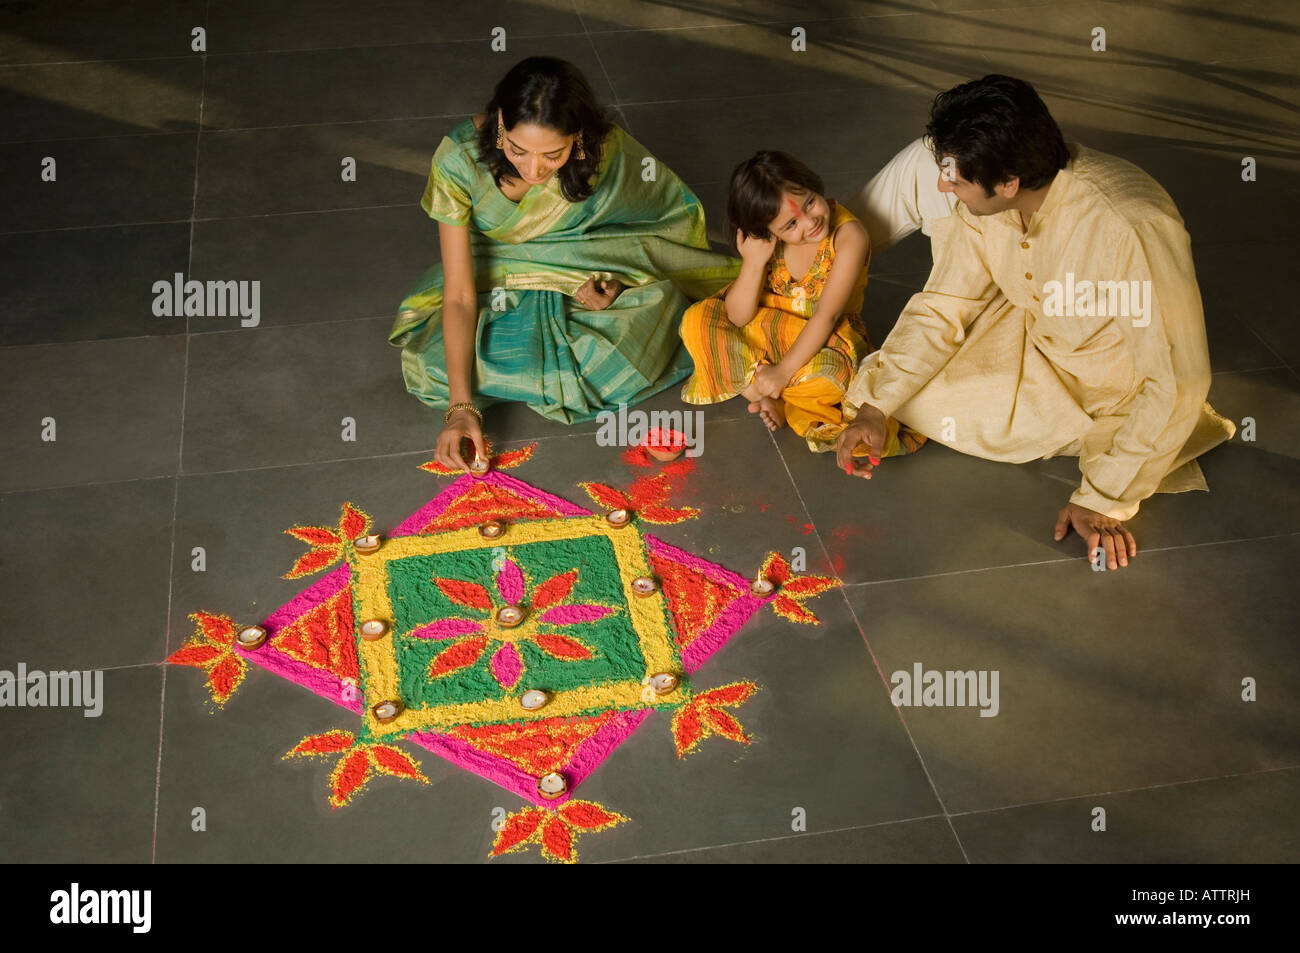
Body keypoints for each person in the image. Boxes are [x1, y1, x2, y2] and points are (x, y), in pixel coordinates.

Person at [839, 74, 1235, 569]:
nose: (941, 186)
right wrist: (878, 406)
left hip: (1113, 387)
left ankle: (1119, 451)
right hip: (1029, 334)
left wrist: (1101, 498)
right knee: (889, 392)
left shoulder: (1130, 226)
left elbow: (1178, 379)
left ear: (1008, 183)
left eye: (955, 179)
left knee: (1153, 417)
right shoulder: (993, 196)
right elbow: (947, 301)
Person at [391, 56, 739, 470]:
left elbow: (656, 227)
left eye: (553, 156)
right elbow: (461, 296)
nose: (534, 169)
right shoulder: (458, 161)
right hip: (498, 280)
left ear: (577, 138)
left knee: (629, 342)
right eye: (518, 149)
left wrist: (617, 281)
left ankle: (525, 371)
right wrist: (461, 407)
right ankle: (504, 380)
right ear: (501, 121)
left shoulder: (604, 151)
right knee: (431, 370)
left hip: (587, 276)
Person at [679, 151, 924, 459]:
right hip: (766, 331)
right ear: (768, 232)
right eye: (792, 224)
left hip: (823, 341)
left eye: (810, 202)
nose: (810, 221)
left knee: (830, 381)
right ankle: (765, 390)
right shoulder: (767, 243)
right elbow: (739, 318)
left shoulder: (849, 236)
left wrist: (782, 371)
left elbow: (827, 315)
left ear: (813, 185)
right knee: (696, 320)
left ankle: (760, 386)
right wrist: (754, 263)